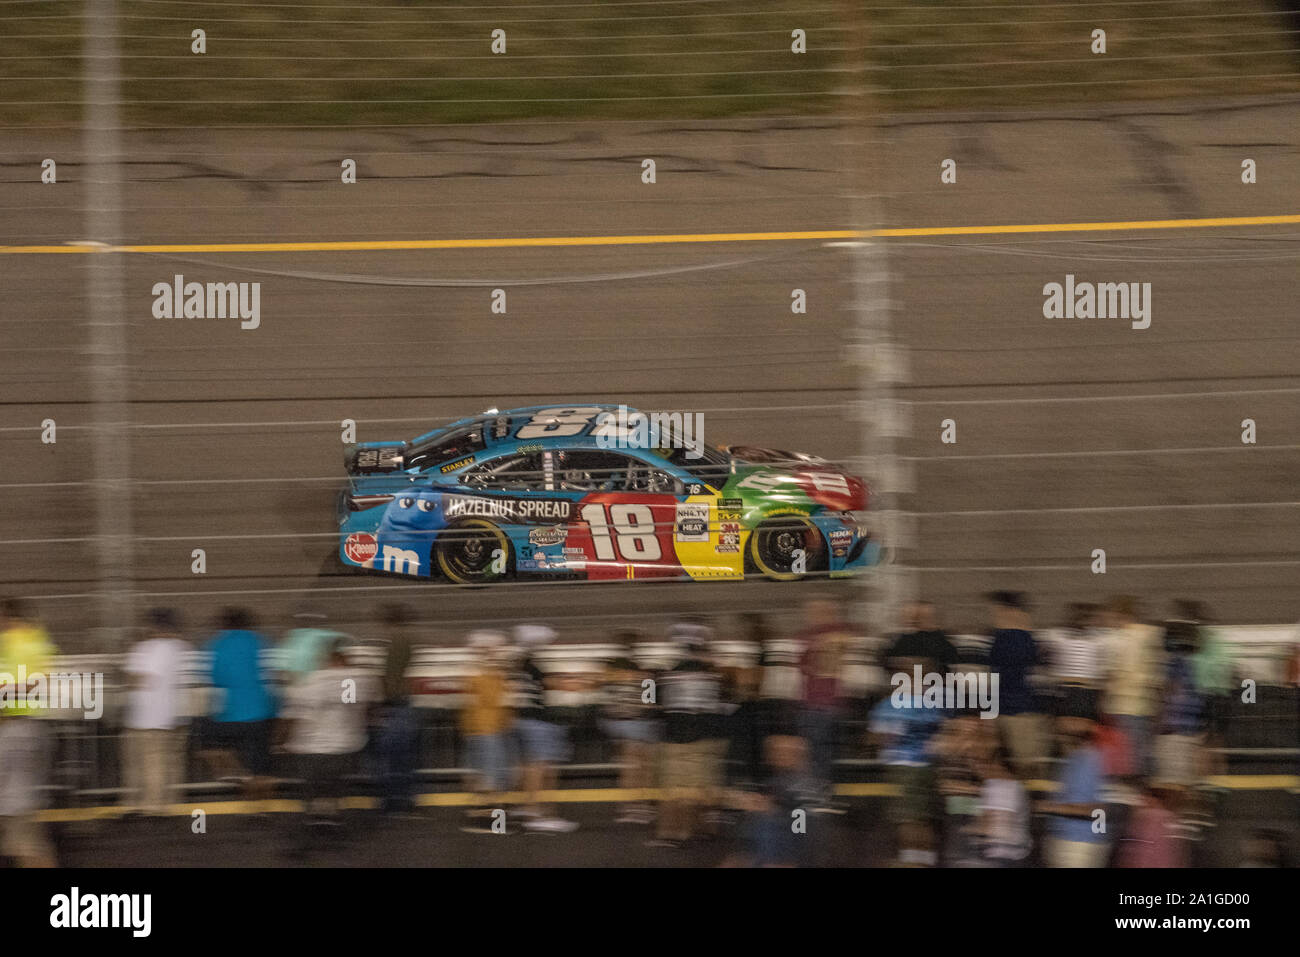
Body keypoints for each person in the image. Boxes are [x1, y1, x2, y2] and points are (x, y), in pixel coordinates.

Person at [282, 638, 376, 853]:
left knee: (313, 787)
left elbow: (296, 713)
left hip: (313, 748)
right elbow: (352, 709)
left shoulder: (313, 680)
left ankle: (312, 825)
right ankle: (332, 819)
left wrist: (283, 740)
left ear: (327, 658)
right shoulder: (353, 681)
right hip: (344, 747)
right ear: (344, 658)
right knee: (335, 785)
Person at [653, 624, 725, 848]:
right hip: (703, 738)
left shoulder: (666, 674)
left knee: (672, 789)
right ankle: (701, 830)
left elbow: (651, 703)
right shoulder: (712, 675)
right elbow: (720, 706)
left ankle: (669, 833)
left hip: (672, 737)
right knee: (700, 789)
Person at [0, 598, 57, 867]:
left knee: (22, 827)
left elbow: (33, 687)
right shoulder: (30, 642)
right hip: (23, 730)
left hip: (17, 733)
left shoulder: (18, 643)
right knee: (17, 821)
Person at [200, 607, 278, 799]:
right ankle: (260, 809)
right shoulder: (260, 641)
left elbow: (214, 676)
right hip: (261, 711)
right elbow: (270, 673)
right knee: (260, 766)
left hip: (228, 713)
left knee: (208, 745)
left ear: (224, 624)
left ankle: (232, 771)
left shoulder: (216, 644)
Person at [122, 607, 190, 815]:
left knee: (146, 764)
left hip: (147, 718)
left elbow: (137, 680)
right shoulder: (183, 648)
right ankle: (166, 803)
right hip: (176, 716)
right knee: (171, 764)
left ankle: (150, 806)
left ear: (154, 625)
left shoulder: (146, 648)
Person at [512, 624, 578, 833]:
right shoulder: (533, 668)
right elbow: (556, 684)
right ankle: (537, 815)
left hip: (521, 720)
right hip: (536, 722)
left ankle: (525, 808)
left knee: (528, 767)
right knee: (541, 769)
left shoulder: (519, 666)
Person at [869, 687, 945, 866]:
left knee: (907, 820)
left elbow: (884, 738)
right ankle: (924, 863)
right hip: (927, 767)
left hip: (904, 766)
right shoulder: (931, 706)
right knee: (922, 821)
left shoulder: (890, 705)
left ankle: (911, 863)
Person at [795, 598, 853, 810]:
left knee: (818, 752)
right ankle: (820, 792)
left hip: (821, 704)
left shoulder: (819, 636)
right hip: (819, 703)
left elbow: (806, 665)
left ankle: (819, 793)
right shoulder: (813, 636)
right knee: (819, 752)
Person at [599, 630, 658, 825]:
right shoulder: (643, 674)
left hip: (614, 722)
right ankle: (638, 806)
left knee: (629, 766)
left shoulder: (609, 670)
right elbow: (648, 702)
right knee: (643, 766)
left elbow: (605, 698)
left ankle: (629, 806)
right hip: (636, 722)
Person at [985, 591, 1045, 778]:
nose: (994, 616)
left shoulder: (1007, 640)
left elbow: (997, 677)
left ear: (1008, 611)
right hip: (1017, 710)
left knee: (1019, 765)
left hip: (1013, 712)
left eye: (997, 611)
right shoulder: (1025, 639)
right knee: (1022, 766)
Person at [1102, 596, 1163, 780]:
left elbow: (1115, 674)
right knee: (1141, 754)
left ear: (1119, 615)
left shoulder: (1119, 639)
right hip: (1145, 706)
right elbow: (1157, 673)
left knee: (1126, 759)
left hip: (1123, 705)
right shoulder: (1151, 634)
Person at [459, 630, 513, 832]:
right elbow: (493, 701)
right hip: (487, 729)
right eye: (495, 649)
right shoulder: (484, 674)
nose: (499, 652)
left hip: (481, 729)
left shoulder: (474, 672)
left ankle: (477, 818)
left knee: (482, 774)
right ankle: (492, 824)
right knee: (491, 777)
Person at [1039, 715, 1109, 867]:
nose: (1061, 725)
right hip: (1064, 839)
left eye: (1072, 720)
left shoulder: (1090, 758)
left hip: (1079, 843)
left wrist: (1050, 807)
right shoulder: (1071, 758)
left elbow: (1098, 809)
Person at [373, 603, 420, 817]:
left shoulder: (396, 642)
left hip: (396, 705)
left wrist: (383, 704)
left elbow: (391, 677)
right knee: (404, 757)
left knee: (391, 756)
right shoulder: (404, 639)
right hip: (404, 703)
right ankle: (406, 800)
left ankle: (392, 802)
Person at [1047, 602, 1108, 721]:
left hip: (1070, 690)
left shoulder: (1056, 636)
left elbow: (1052, 663)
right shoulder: (1098, 640)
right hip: (1081, 690)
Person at [976, 747, 1031, 866]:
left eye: (990, 764)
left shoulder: (1011, 788)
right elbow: (984, 819)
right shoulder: (991, 785)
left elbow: (1002, 828)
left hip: (1009, 854)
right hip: (996, 853)